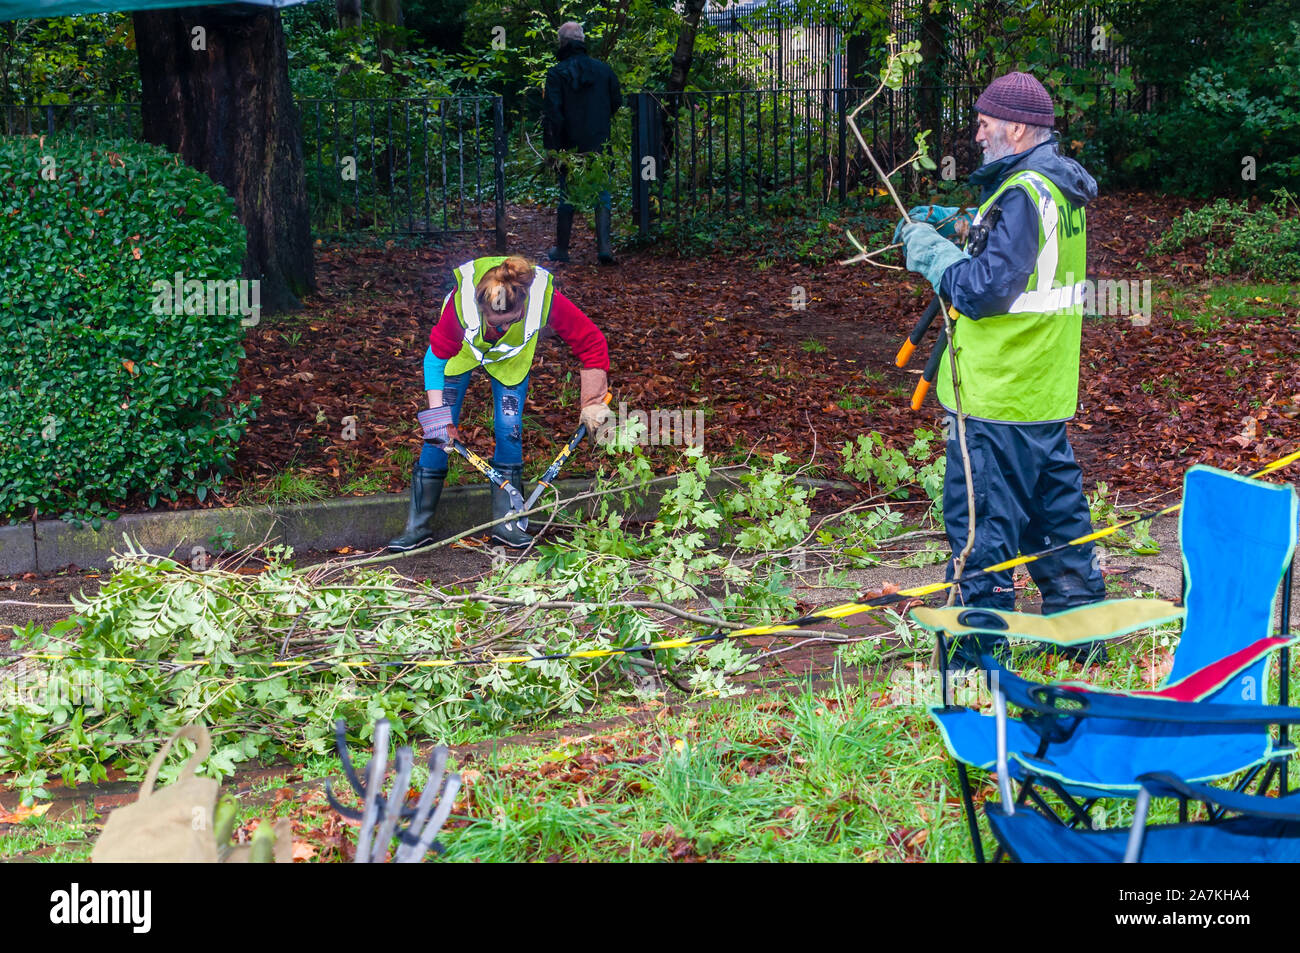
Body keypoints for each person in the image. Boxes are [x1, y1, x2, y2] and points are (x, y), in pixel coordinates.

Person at [895, 71, 1106, 669]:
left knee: (982, 535)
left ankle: (972, 665)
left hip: (993, 395)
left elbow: (987, 289)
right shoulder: (1057, 189)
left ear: (1015, 127)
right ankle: (1084, 641)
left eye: (985, 121)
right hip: (1042, 391)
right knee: (1059, 526)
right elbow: (1025, 257)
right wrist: (963, 225)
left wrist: (937, 257)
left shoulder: (1022, 192)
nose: (978, 130)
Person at [388, 256, 611, 551]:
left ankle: (508, 524)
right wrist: (438, 418)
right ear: (482, 308)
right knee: (437, 434)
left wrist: (593, 401)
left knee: (509, 427)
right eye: (496, 323)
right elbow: (433, 360)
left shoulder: (544, 297)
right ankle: (417, 527)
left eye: (512, 320)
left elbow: (591, 341)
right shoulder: (462, 306)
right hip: (461, 354)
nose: (503, 329)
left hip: (511, 361)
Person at [542, 20, 622, 264]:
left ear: (562, 43)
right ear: (582, 41)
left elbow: (553, 114)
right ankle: (605, 248)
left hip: (570, 145)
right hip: (599, 143)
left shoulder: (556, 73)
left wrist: (553, 149)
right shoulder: (604, 70)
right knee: (602, 194)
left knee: (567, 193)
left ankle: (562, 250)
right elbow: (617, 102)